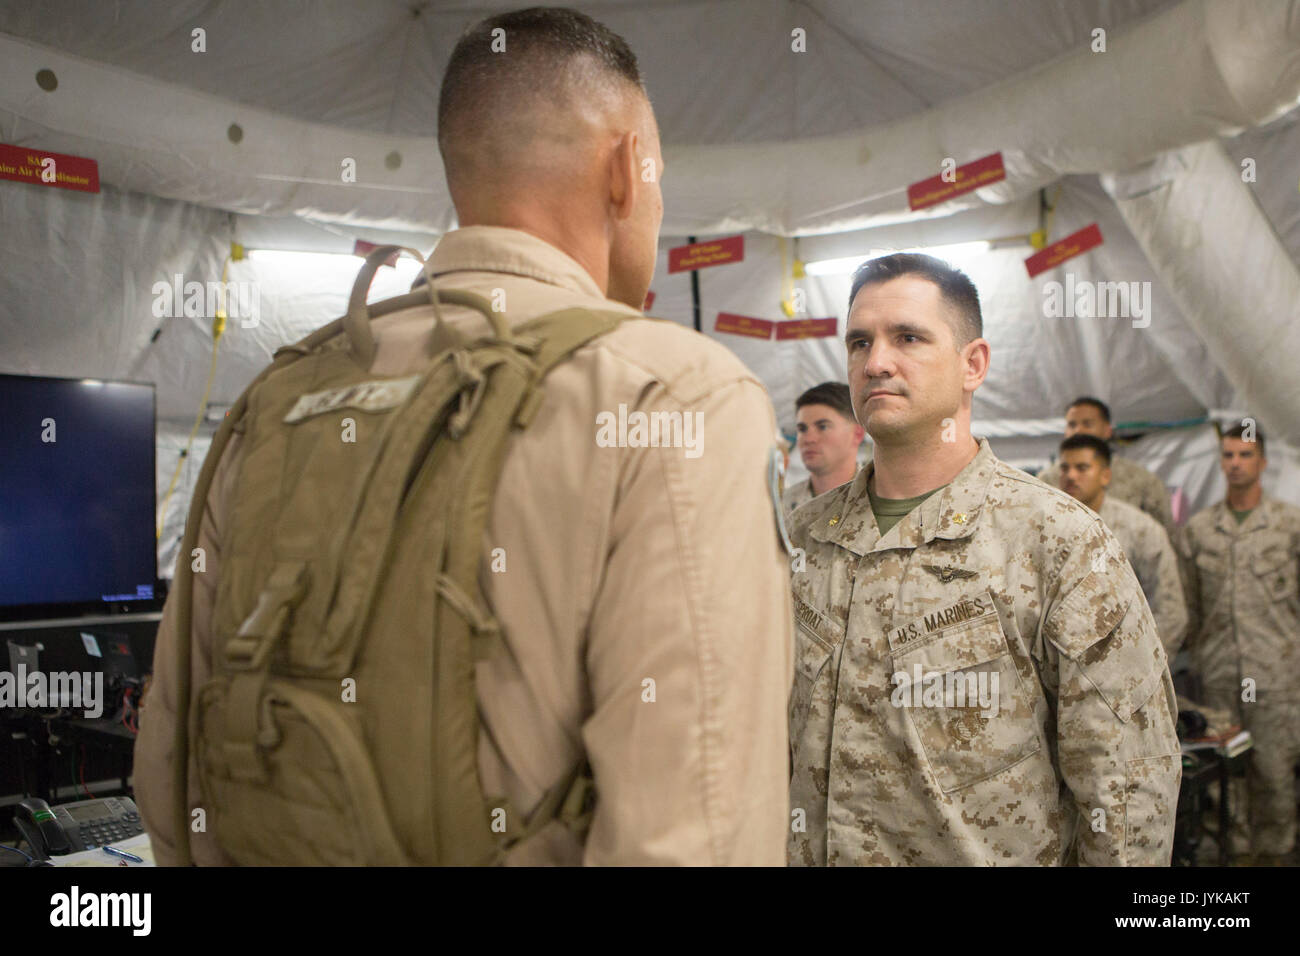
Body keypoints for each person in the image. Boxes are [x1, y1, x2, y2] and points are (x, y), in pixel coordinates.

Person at [134, 6, 793, 866]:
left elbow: (170, 773)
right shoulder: (679, 395)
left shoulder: (276, 396)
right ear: (629, 170)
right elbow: (699, 836)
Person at [787, 252, 1180, 866]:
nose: (876, 362)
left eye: (908, 337)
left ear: (973, 364)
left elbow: (1128, 787)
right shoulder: (802, 539)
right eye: (859, 342)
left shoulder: (1058, 541)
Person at [1179, 422, 1300, 865]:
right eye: (1228, 455)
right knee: (1224, 778)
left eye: (1245, 455)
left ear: (1263, 462)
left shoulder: (1289, 526)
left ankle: (1277, 856)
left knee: (1273, 776)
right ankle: (1237, 859)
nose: (1235, 463)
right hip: (1220, 678)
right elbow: (1189, 605)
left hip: (1277, 677)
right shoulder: (1199, 531)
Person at [1057, 434, 1187, 659]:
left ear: (1105, 475)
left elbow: (1170, 610)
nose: (1071, 476)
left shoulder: (1140, 530)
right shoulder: (1048, 529)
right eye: (1065, 468)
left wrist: (1146, 667)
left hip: (1128, 663)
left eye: (1082, 468)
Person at [1039, 397, 1174, 538]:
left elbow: (1165, 531)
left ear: (1107, 430)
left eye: (1087, 424)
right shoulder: (1046, 480)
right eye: (1072, 425)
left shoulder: (1139, 478)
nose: (1078, 430)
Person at [783, 382, 866, 519]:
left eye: (822, 427)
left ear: (857, 434)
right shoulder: (782, 508)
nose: (808, 439)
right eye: (802, 429)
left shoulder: (880, 500)